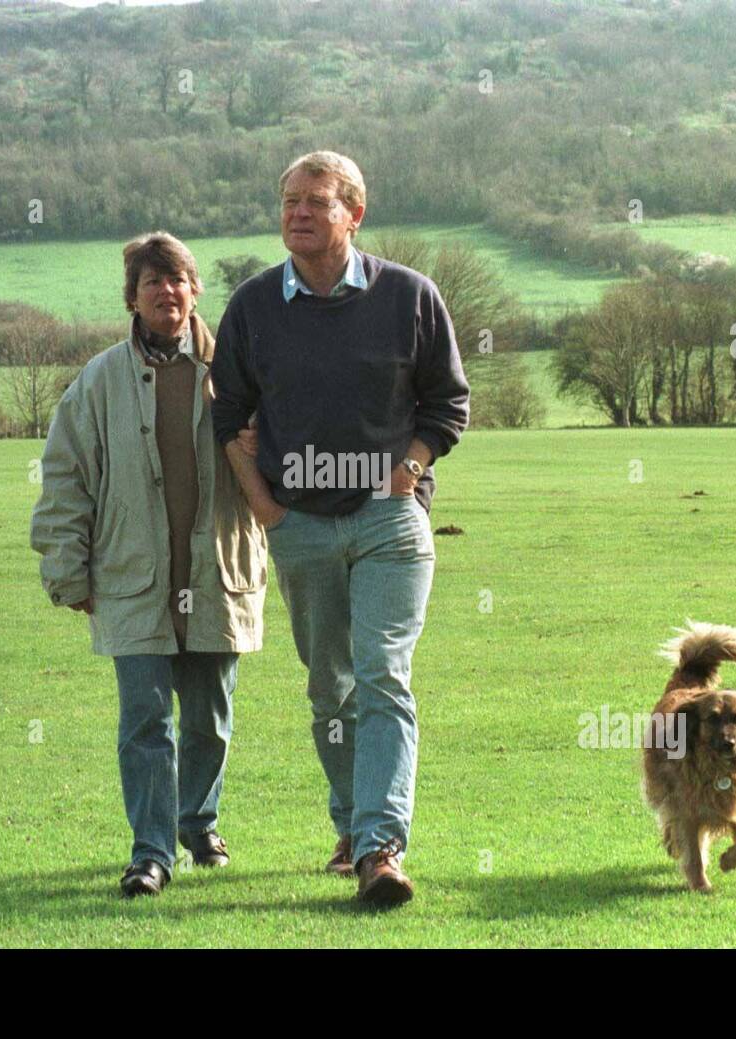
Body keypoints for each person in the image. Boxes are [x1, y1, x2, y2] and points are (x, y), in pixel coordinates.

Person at [212, 151, 469, 907]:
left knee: (384, 671)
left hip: (391, 520)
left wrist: (413, 464)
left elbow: (448, 402)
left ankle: (380, 845)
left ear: (354, 213)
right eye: (288, 200)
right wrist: (265, 507)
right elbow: (227, 414)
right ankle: (353, 825)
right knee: (331, 689)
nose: (296, 213)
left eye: (314, 201)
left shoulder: (410, 297)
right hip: (302, 527)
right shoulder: (254, 307)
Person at [32, 232, 267, 899]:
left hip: (218, 571)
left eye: (179, 279)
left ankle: (198, 822)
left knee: (209, 718)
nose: (168, 291)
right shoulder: (98, 380)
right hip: (132, 578)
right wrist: (67, 570)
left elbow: (281, 454)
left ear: (196, 290)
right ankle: (151, 850)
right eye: (153, 281)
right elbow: (65, 478)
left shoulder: (239, 370)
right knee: (143, 721)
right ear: (131, 296)